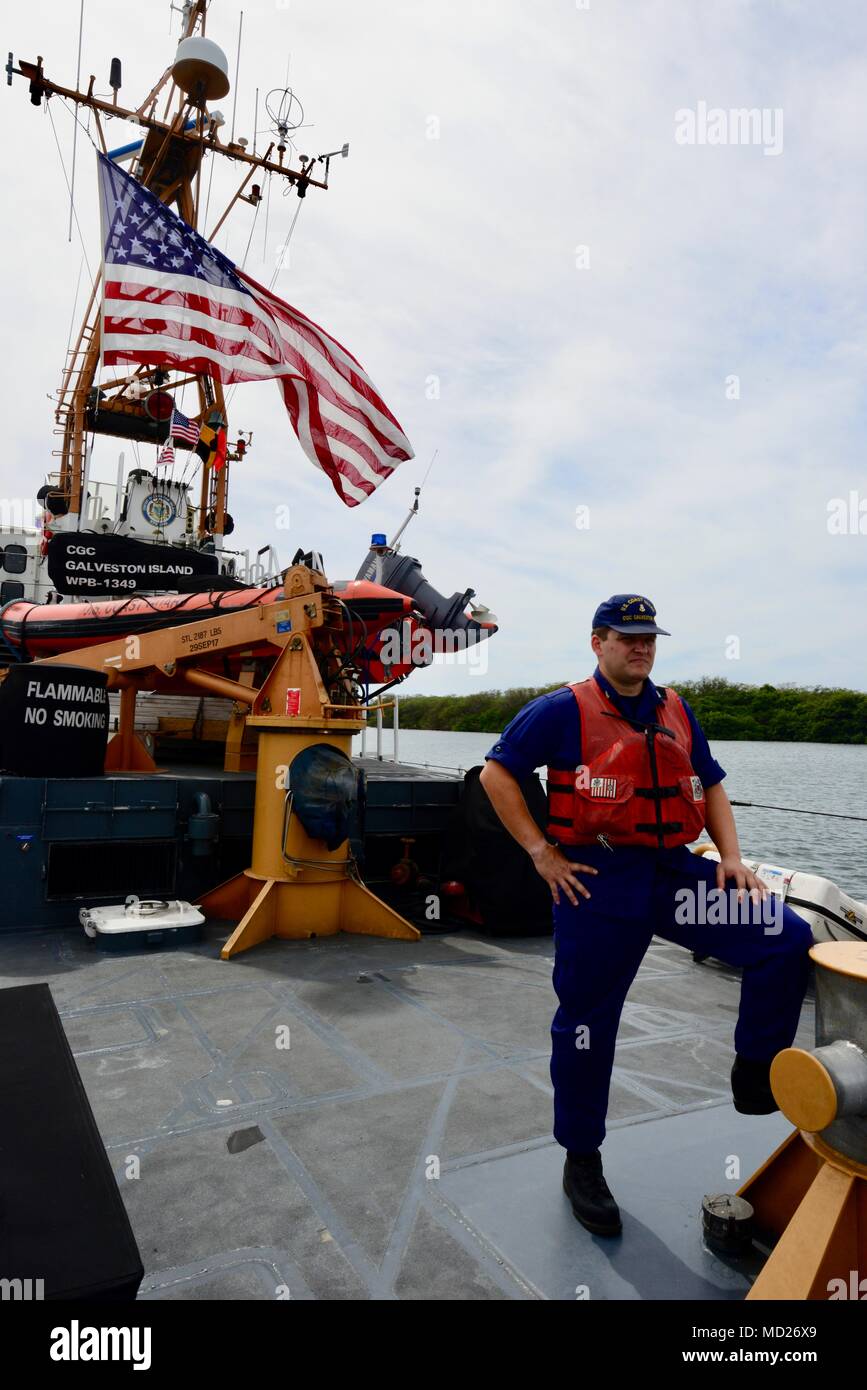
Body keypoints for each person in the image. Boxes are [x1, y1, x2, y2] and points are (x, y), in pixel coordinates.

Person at [479, 594, 814, 1237]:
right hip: (596, 882)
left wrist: (732, 857)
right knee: (586, 1022)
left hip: (673, 874)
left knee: (782, 936)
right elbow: (498, 773)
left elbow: (710, 781)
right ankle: (582, 1159)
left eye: (648, 638)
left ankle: (755, 1070)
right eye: (627, 637)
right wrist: (541, 854)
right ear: (598, 642)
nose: (641, 648)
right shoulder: (560, 710)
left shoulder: (677, 709)